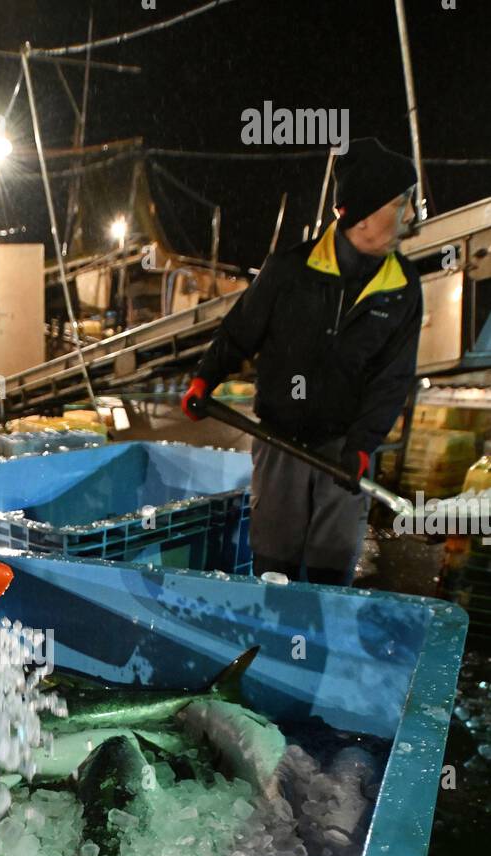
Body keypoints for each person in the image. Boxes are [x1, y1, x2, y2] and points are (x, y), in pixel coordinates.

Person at [182, 136, 422, 585]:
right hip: (278, 442)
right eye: (402, 201)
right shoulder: (290, 270)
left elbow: (393, 378)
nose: (411, 215)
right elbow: (239, 331)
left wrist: (363, 447)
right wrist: (204, 380)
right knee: (276, 566)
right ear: (366, 212)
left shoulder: (403, 287)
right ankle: (275, 648)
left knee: (332, 571)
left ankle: (316, 651)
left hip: (342, 453)